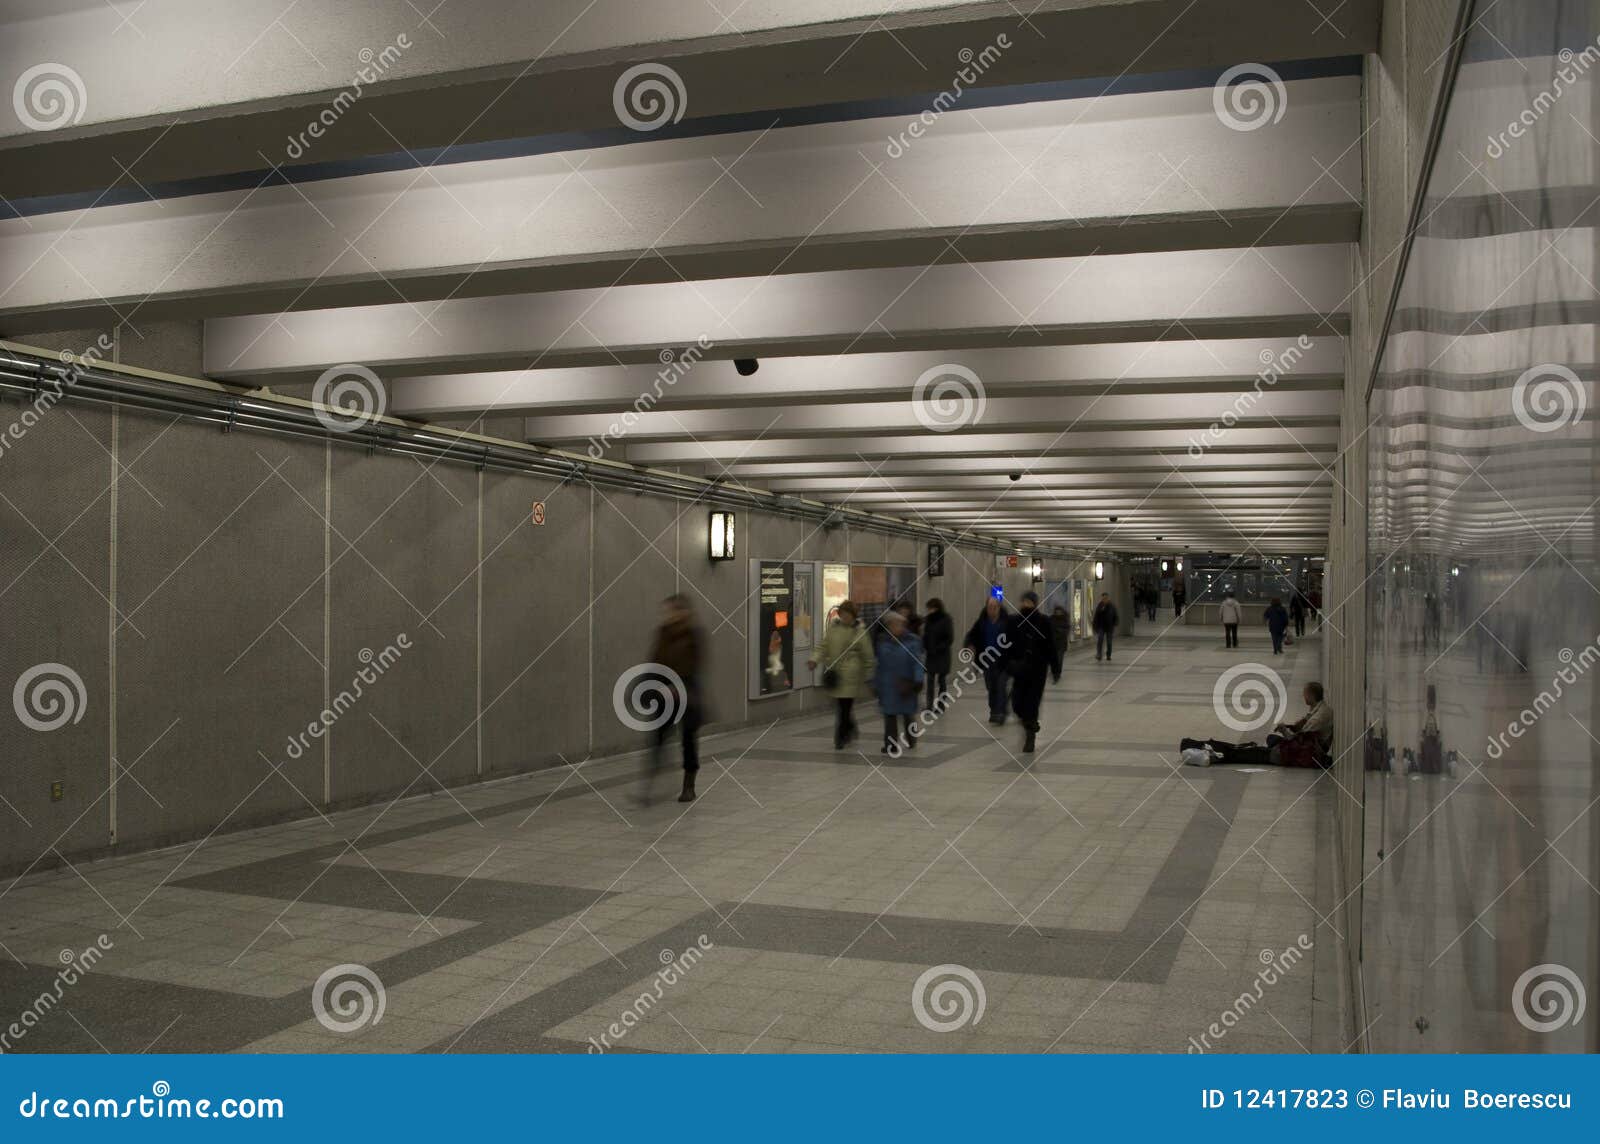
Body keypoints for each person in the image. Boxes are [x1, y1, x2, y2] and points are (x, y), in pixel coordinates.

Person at [641, 595, 704, 804]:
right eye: (668, 611)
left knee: (688, 740)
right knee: (658, 737)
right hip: (663, 693)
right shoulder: (663, 633)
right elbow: (655, 660)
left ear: (684, 612)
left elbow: (694, 665)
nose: (669, 615)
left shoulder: (693, 635)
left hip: (686, 694)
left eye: (674, 611)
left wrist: (677, 687)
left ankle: (689, 787)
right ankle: (648, 786)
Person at [810, 600, 875, 749]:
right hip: (836, 673)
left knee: (844, 707)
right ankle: (851, 727)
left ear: (853, 615)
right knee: (842, 706)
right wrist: (814, 659)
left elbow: (867, 654)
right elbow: (823, 646)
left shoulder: (860, 632)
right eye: (843, 614)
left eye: (848, 614)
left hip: (851, 675)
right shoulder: (834, 629)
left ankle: (840, 737)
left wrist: (869, 674)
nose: (845, 617)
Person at [1007, 591, 1062, 753]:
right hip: (1019, 669)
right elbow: (1006, 644)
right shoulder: (1014, 621)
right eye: (1024, 601)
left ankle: (1030, 735)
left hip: (1037, 670)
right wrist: (1007, 664)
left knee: (1032, 702)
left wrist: (1055, 668)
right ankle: (1029, 723)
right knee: (1017, 703)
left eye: (1029, 602)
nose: (1026, 605)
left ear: (1035, 604)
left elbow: (1051, 646)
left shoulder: (1043, 621)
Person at [873, 610, 925, 754]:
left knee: (907, 714)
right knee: (889, 716)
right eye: (892, 625)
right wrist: (876, 684)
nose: (896, 627)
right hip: (888, 685)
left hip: (906, 684)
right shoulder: (882, 642)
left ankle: (911, 738)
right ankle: (891, 745)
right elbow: (879, 665)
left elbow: (917, 663)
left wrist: (918, 679)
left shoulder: (912, 641)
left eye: (899, 624)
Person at [964, 596, 1012, 724]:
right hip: (986, 660)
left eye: (994, 607)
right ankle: (994, 710)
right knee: (991, 687)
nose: (992, 610)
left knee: (1001, 685)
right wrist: (970, 645)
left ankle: (1000, 712)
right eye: (989, 607)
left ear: (999, 608)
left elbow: (1015, 639)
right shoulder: (982, 622)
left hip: (1003, 661)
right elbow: (971, 636)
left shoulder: (1007, 622)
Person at [1266, 682, 1334, 767]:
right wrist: (1291, 726)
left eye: (1305, 694)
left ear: (1311, 696)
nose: (1303, 697)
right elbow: (1301, 731)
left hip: (1310, 750)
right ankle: (1273, 749)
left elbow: (1297, 740)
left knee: (1271, 742)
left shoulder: (1317, 718)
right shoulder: (1320, 708)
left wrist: (1283, 730)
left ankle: (1273, 750)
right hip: (1310, 744)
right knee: (1271, 738)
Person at [921, 597, 954, 711]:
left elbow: (949, 638)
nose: (929, 611)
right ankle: (929, 706)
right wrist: (925, 645)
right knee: (930, 681)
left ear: (936, 608)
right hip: (931, 655)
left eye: (930, 608)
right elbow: (925, 635)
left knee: (941, 681)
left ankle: (941, 705)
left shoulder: (946, 619)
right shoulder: (928, 620)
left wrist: (938, 648)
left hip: (942, 656)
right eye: (928, 608)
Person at [1091, 592, 1118, 661]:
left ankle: (1108, 654)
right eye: (1103, 599)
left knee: (1109, 642)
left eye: (1106, 598)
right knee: (1100, 639)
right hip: (1101, 626)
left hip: (1109, 627)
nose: (1104, 600)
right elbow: (1096, 616)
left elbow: (1115, 615)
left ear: (1108, 598)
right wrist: (1094, 626)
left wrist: (1115, 623)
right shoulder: (1100, 606)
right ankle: (1099, 654)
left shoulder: (1112, 606)